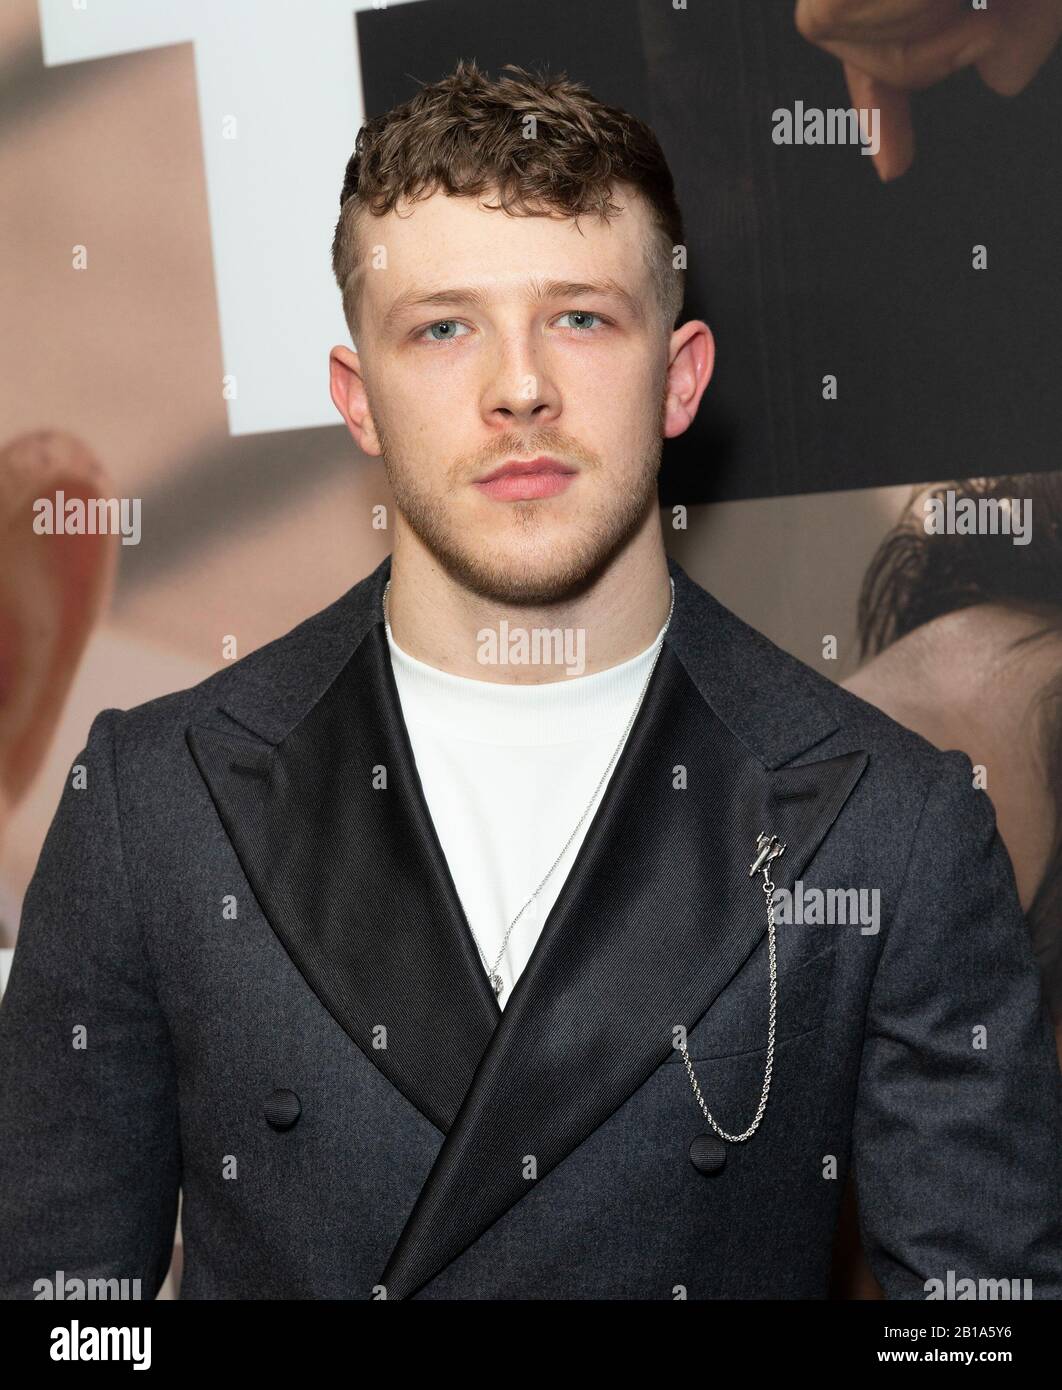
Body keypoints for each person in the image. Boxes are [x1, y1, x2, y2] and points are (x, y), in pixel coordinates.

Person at [0, 61, 1059, 1302]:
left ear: (681, 376)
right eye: (444, 326)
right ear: (359, 400)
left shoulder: (898, 826)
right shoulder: (152, 801)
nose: (518, 388)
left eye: (581, 318)